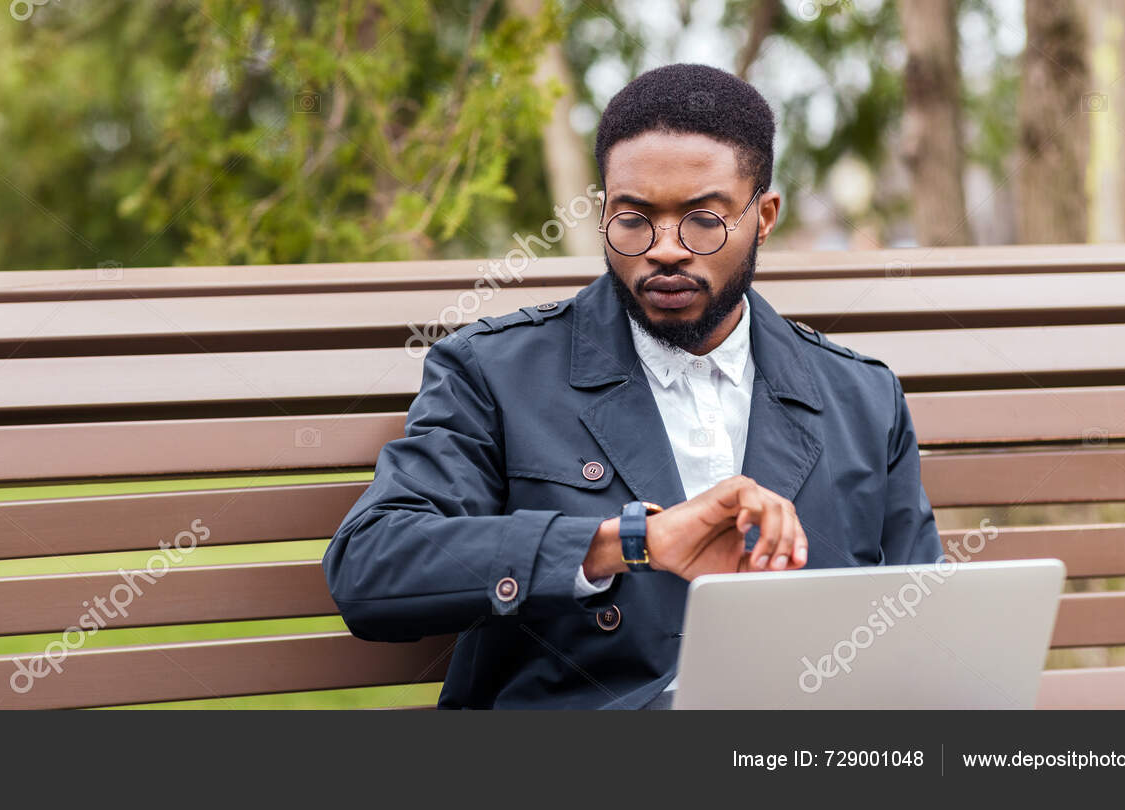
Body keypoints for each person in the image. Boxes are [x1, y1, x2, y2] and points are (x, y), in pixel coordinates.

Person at [322, 63, 943, 709]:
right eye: (633, 218)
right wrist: (623, 544)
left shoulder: (861, 398)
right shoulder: (495, 373)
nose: (666, 248)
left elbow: (922, 623)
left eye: (704, 219)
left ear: (763, 216)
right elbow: (372, 568)